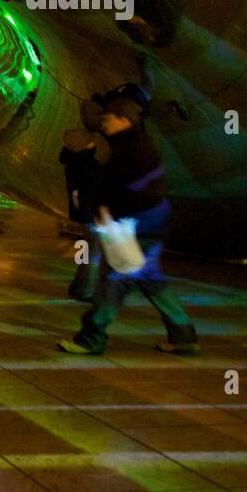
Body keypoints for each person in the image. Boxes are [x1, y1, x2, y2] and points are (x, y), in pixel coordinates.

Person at [57, 97, 199, 355]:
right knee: (151, 281)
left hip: (132, 228)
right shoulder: (134, 143)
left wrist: (108, 213)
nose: (104, 124)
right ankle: (184, 335)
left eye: (108, 119)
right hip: (144, 225)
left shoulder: (134, 150)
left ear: (123, 120)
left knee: (112, 283)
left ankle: (91, 338)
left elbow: (133, 191)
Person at [59, 100, 108, 300]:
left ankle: (78, 285)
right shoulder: (90, 166)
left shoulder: (72, 164)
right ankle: (84, 289)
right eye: (90, 142)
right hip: (91, 216)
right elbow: (97, 190)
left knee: (84, 251)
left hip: (81, 214)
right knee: (92, 254)